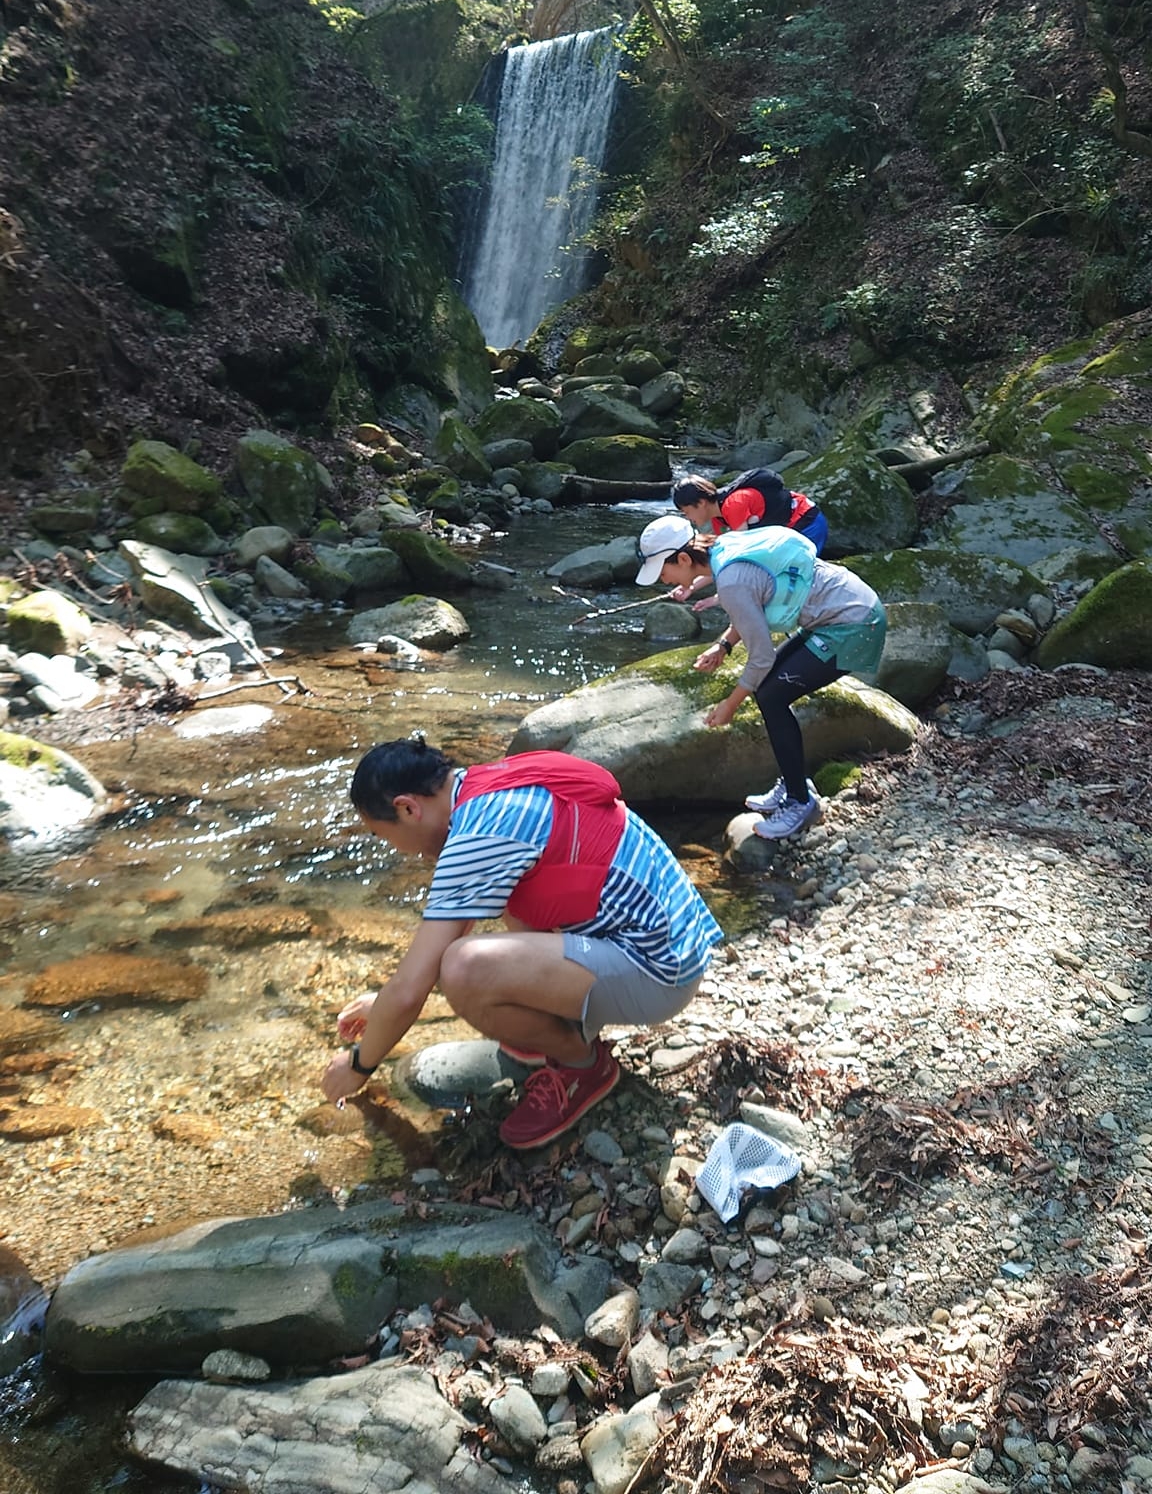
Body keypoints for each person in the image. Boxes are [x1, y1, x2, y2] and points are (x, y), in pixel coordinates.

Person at [321, 737, 723, 1150]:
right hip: (672, 943)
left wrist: (358, 1065)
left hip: (658, 975)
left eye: (382, 833)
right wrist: (385, 1004)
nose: (394, 849)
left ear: (407, 808)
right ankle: (558, 1026)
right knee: (499, 912)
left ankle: (581, 1067)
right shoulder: (491, 786)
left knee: (463, 968)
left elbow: (414, 986)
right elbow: (430, 957)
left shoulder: (474, 838)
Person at [635, 516, 886, 839]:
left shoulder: (730, 581)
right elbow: (754, 603)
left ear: (683, 559)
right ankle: (794, 780)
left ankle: (800, 803)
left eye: (662, 571)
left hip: (854, 624)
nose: (663, 579)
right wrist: (724, 646)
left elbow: (762, 656)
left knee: (771, 695)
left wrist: (729, 705)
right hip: (841, 609)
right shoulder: (725, 546)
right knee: (769, 691)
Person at [673, 470, 829, 553]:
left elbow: (741, 548)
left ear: (701, 503)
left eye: (686, 512)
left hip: (807, 522)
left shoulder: (734, 504)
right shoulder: (718, 518)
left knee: (800, 573)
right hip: (792, 526)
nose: (688, 518)